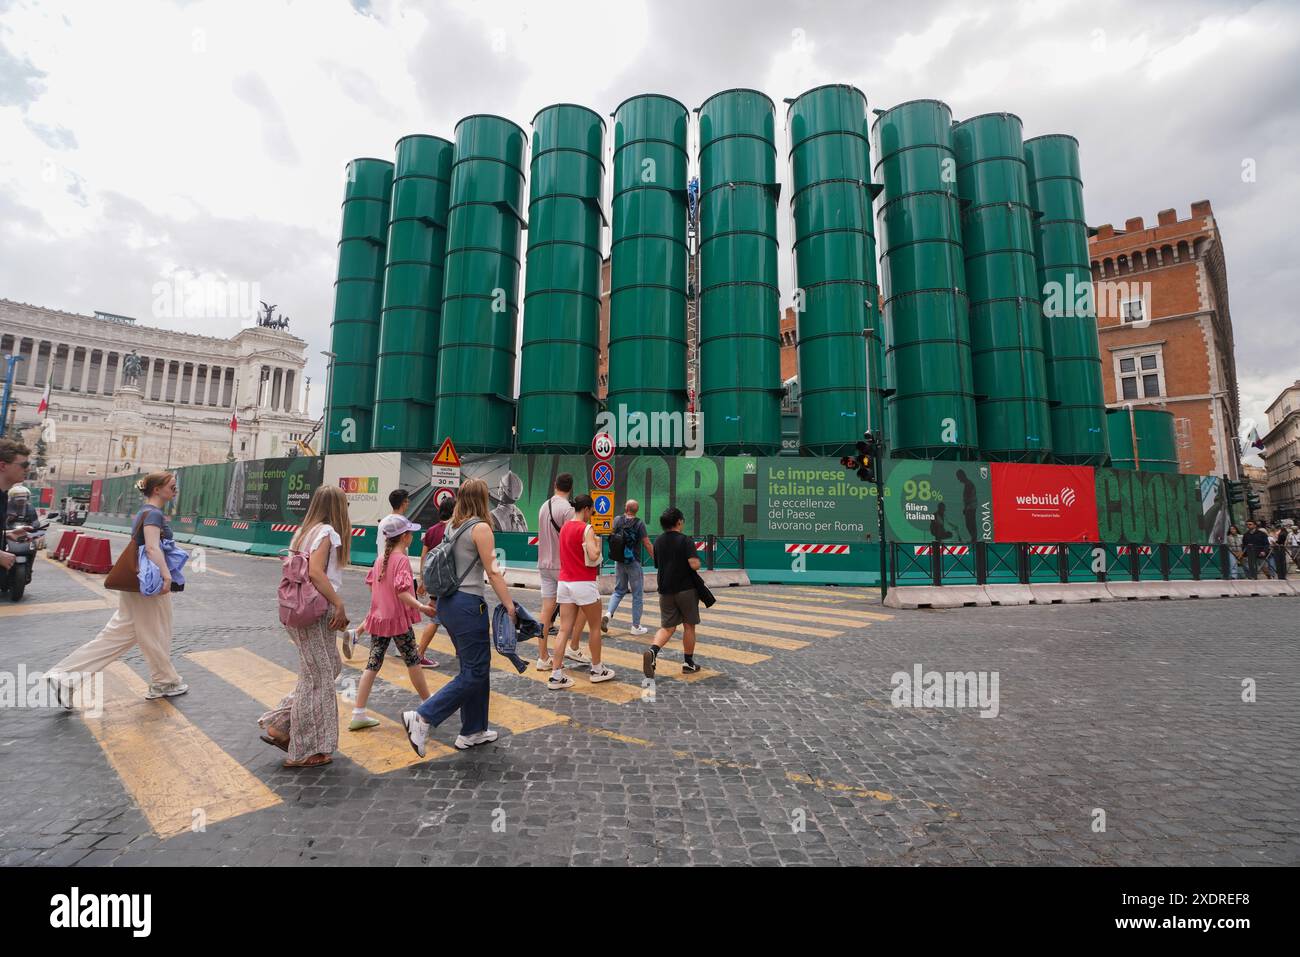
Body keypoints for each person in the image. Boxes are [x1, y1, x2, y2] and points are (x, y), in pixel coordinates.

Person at [45, 472, 189, 708]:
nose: (175, 490)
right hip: (148, 584)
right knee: (156, 630)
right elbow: (152, 548)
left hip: (137, 584)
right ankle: (165, 681)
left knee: (119, 634)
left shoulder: (146, 512)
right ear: (156, 489)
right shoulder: (153, 513)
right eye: (172, 486)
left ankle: (65, 677)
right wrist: (166, 575)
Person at [402, 478, 516, 755]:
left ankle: (473, 730)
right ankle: (423, 716)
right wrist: (510, 606)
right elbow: (493, 572)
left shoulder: (451, 526)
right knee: (476, 671)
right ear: (483, 498)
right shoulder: (481, 528)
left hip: (447, 603)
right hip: (468, 604)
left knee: (472, 667)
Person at [257, 484, 351, 768]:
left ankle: (281, 724)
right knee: (319, 677)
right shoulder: (327, 532)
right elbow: (315, 573)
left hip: (296, 609)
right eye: (345, 503)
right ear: (336, 507)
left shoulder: (303, 531)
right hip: (316, 610)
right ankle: (305, 750)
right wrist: (339, 603)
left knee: (326, 668)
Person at [348, 515, 437, 731]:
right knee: (413, 661)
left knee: (373, 664)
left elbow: (372, 584)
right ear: (404, 537)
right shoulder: (402, 560)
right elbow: (402, 592)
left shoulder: (381, 560)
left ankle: (358, 712)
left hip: (380, 619)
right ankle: (429, 703)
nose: (412, 536)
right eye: (410, 533)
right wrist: (422, 607)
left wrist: (382, 601)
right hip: (397, 621)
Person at [548, 495, 616, 689]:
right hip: (584, 583)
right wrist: (596, 542)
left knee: (563, 629)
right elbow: (594, 556)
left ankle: (556, 675)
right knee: (595, 627)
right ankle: (597, 669)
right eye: (592, 510)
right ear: (586, 509)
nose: (592, 513)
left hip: (565, 582)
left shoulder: (565, 528)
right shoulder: (586, 529)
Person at [643, 506, 704, 679]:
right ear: (678, 522)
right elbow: (694, 564)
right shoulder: (685, 540)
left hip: (665, 589)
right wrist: (696, 561)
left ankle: (653, 651)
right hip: (685, 589)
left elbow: (658, 563)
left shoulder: (660, 541)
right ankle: (688, 663)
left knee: (667, 627)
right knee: (689, 626)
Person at [536, 473, 588, 670]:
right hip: (563, 566)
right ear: (571, 488)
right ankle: (572, 647)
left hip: (544, 564)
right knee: (585, 604)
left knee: (546, 613)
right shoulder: (568, 509)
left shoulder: (543, 506)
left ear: (555, 485)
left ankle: (543, 657)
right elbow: (571, 538)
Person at [414, 497, 456, 667]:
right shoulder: (454, 529)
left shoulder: (431, 530)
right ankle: (419, 653)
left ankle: (460, 650)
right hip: (449, 580)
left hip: (434, 580)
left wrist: (423, 580)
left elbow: (424, 555)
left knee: (450, 617)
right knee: (437, 619)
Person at [602, 499, 653, 636]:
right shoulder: (639, 524)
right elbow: (647, 543)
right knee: (637, 594)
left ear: (626, 508)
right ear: (636, 510)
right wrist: (656, 558)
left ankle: (608, 614)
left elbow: (611, 535)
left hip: (619, 561)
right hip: (633, 562)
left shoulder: (617, 520)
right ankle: (635, 626)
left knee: (619, 590)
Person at [0, 440, 32, 578]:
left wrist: (7, 534)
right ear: (3, 466)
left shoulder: (3, 495)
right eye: (24, 465)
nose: (28, 469)